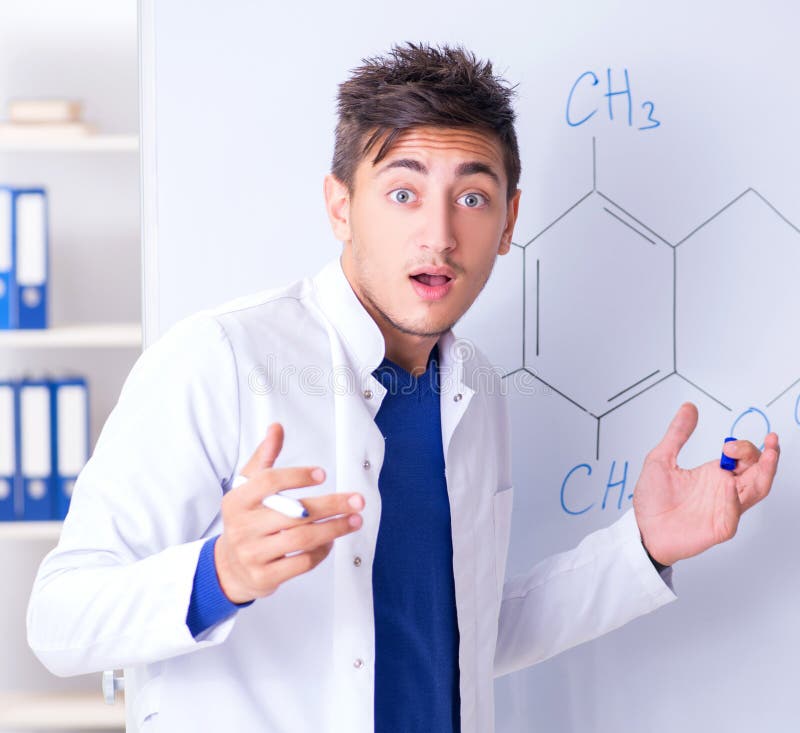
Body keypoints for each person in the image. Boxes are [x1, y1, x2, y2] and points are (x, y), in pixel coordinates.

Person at [27, 42, 779, 733]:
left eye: (473, 197)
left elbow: (461, 630)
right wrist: (218, 573)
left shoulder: (474, 389)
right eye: (402, 193)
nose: (440, 234)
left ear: (510, 219)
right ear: (339, 205)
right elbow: (59, 621)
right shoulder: (220, 358)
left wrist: (642, 548)